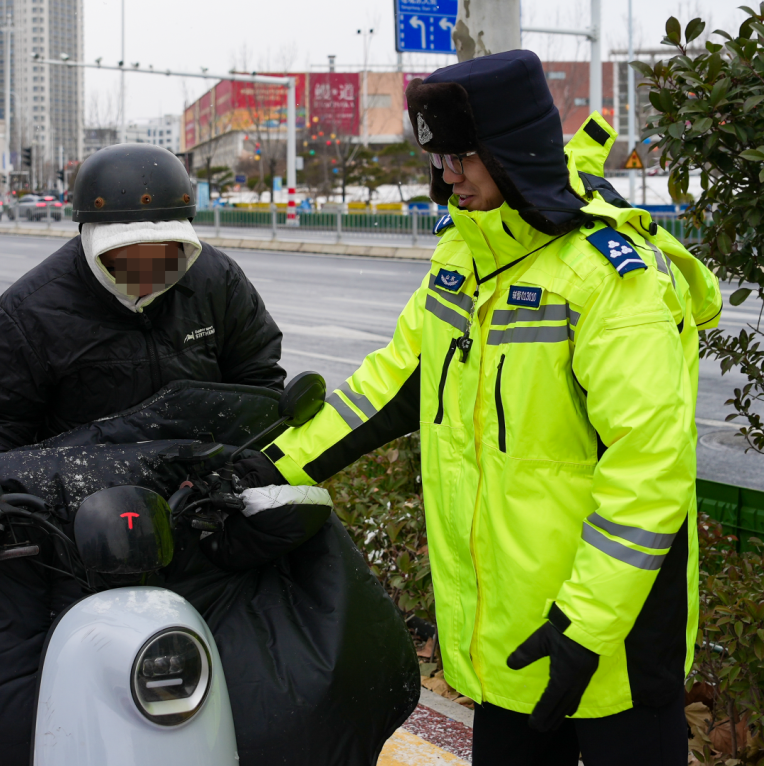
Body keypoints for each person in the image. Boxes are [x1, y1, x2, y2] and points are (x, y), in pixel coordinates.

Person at [236, 50, 723, 765]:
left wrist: (583, 626)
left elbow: (649, 474)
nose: (447, 175)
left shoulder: (611, 283)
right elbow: (389, 387)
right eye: (438, 157)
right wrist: (264, 468)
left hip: (612, 642)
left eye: (462, 155)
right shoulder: (461, 261)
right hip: (514, 644)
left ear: (512, 149)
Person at [0, 143, 285, 458]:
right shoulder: (27, 313)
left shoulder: (218, 279)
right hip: (81, 502)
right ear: (91, 240)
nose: (148, 270)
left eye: (166, 252)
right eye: (127, 254)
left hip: (204, 489)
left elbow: (257, 383)